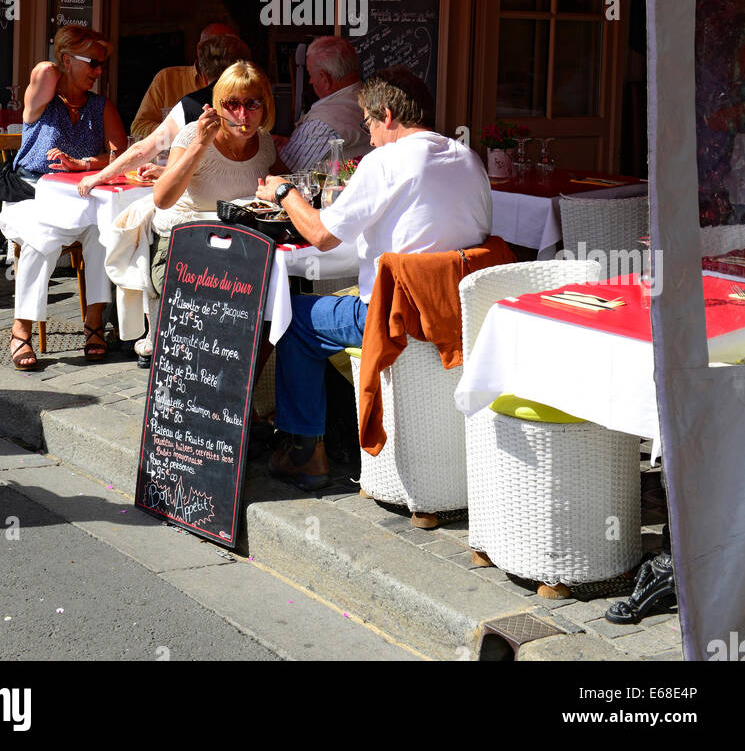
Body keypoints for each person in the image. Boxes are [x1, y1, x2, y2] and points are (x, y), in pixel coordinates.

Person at [258, 66, 492, 490]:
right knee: (336, 300)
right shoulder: (467, 157)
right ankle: (340, 426)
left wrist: (282, 192)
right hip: (459, 311)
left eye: (367, 120)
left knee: (291, 319)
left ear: (387, 114)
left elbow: (322, 235)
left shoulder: (386, 160)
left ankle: (307, 453)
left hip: (397, 316)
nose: (366, 132)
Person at [134, 61, 286, 361]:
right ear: (218, 106)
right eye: (233, 104)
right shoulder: (193, 135)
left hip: (239, 253)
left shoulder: (265, 144)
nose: (242, 115)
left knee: (280, 307)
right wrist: (201, 145)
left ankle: (244, 397)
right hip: (182, 252)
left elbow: (284, 186)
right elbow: (162, 198)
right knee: (234, 308)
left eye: (252, 104)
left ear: (265, 106)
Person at [6, 24, 127, 370]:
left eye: (102, 64)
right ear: (66, 60)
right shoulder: (44, 96)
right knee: (39, 238)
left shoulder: (100, 106)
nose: (99, 71)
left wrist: (84, 164)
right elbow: (45, 70)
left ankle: (94, 324)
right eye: (93, 62)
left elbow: (120, 155)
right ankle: (21, 330)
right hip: (30, 197)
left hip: (78, 202)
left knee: (103, 233)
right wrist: (63, 60)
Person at [75, 33, 251, 196]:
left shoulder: (193, 106)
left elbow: (143, 151)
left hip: (206, 207)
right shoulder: (256, 103)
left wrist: (98, 177)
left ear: (203, 75)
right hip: (250, 200)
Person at [130, 21, 239, 139]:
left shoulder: (243, 85)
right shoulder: (167, 79)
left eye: (228, 49)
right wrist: (184, 131)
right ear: (199, 50)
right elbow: (138, 129)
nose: (221, 55)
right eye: (214, 48)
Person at [279, 36, 369, 171]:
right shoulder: (375, 101)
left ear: (324, 78)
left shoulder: (321, 122)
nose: (310, 82)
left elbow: (285, 172)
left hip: (334, 191)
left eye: (310, 75)